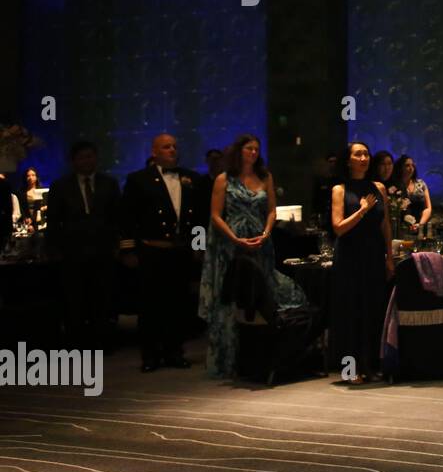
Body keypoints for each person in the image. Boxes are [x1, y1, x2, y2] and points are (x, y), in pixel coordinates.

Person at [199, 134, 307, 378]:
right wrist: (234, 238)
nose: (253, 153)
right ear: (239, 151)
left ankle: (260, 355)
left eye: (256, 149)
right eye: (249, 148)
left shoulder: (265, 177)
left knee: (262, 291)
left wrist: (266, 233)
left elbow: (271, 210)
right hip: (231, 243)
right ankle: (229, 357)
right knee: (233, 295)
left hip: (260, 241)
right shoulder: (224, 179)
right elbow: (215, 215)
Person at [119, 134, 204, 372]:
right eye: (166, 147)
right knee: (150, 306)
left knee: (178, 305)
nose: (172, 150)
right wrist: (128, 249)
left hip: (180, 251)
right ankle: (150, 355)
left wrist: (198, 247)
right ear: (154, 152)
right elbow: (127, 218)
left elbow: (199, 218)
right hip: (152, 251)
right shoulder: (139, 179)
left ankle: (175, 351)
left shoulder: (192, 178)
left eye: (175, 146)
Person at [45, 141, 121, 348]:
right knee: (75, 299)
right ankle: (76, 342)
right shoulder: (61, 186)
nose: (87, 161)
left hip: (103, 250)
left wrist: (118, 245)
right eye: (82, 157)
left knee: (102, 297)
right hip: (72, 252)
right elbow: (53, 220)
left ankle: (102, 341)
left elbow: (117, 217)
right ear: (73, 161)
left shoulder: (109, 183)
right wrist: (53, 249)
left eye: (90, 156)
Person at [330, 142, 393, 384]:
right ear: (348, 160)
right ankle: (350, 370)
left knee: (373, 310)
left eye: (366, 154)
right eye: (358, 154)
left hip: (373, 254)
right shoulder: (339, 190)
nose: (364, 158)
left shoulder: (379, 187)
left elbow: (385, 224)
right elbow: (338, 228)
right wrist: (361, 210)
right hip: (349, 256)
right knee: (351, 312)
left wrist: (389, 257)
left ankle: (370, 366)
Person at [388, 155, 431, 237]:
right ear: (400, 168)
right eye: (407, 165)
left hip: (421, 226)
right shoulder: (394, 186)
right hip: (401, 229)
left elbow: (428, 208)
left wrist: (420, 224)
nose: (411, 168)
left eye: (412, 165)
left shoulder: (421, 184)